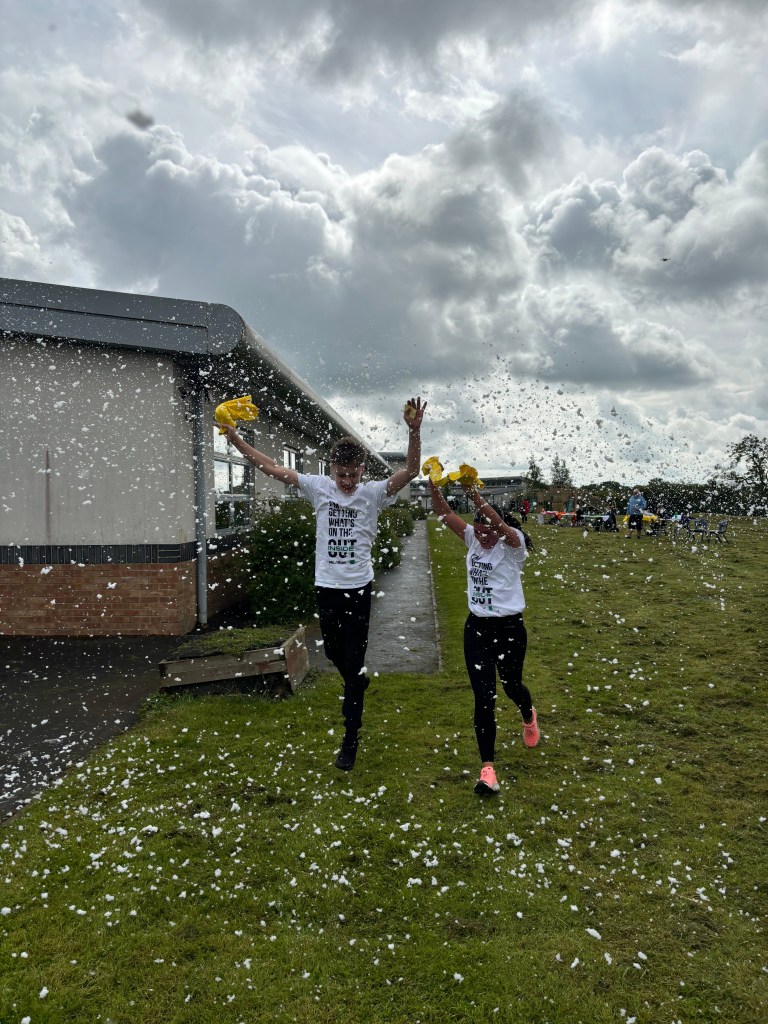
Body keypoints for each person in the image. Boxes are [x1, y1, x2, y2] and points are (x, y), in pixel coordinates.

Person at [222, 397, 426, 771]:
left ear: (362, 470)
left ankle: (351, 738)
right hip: (327, 588)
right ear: (332, 469)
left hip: (359, 590)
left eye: (353, 475)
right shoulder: (318, 487)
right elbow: (268, 465)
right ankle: (356, 680)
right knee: (334, 655)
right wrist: (235, 439)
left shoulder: (373, 493)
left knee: (353, 663)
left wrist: (414, 432)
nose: (347, 483)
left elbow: (411, 470)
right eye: (341, 475)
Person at [428, 477, 540, 797]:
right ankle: (488, 770)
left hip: (510, 630)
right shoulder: (473, 540)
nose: (484, 536)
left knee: (511, 686)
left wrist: (472, 494)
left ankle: (527, 713)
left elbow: (499, 526)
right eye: (479, 530)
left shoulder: (512, 544)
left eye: (489, 530)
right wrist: (434, 485)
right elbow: (445, 513)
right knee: (484, 697)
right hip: (477, 628)